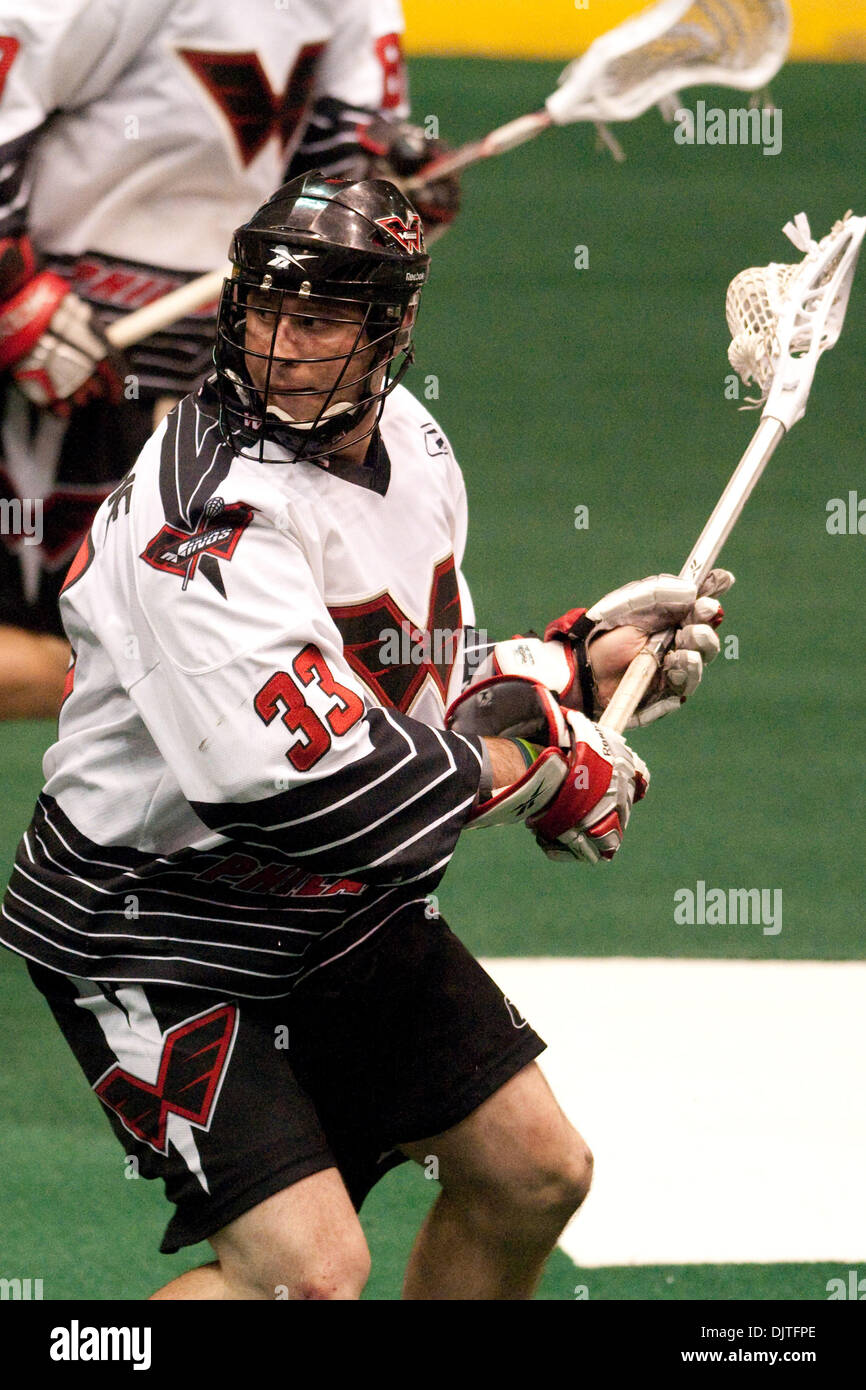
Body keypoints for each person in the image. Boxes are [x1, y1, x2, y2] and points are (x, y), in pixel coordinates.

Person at [0, 172, 732, 1300]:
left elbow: (407, 696)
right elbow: (312, 796)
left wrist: (568, 663)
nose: (283, 344)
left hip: (329, 906)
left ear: (391, 331)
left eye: (323, 316)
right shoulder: (201, 521)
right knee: (304, 1277)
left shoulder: (414, 446)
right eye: (265, 310)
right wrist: (543, 764)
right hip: (161, 922)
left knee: (532, 1174)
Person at [0, 0, 457, 719]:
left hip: (208, 347)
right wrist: (11, 290)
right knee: (106, 641)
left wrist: (380, 207)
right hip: (52, 338)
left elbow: (331, 172)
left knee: (147, 628)